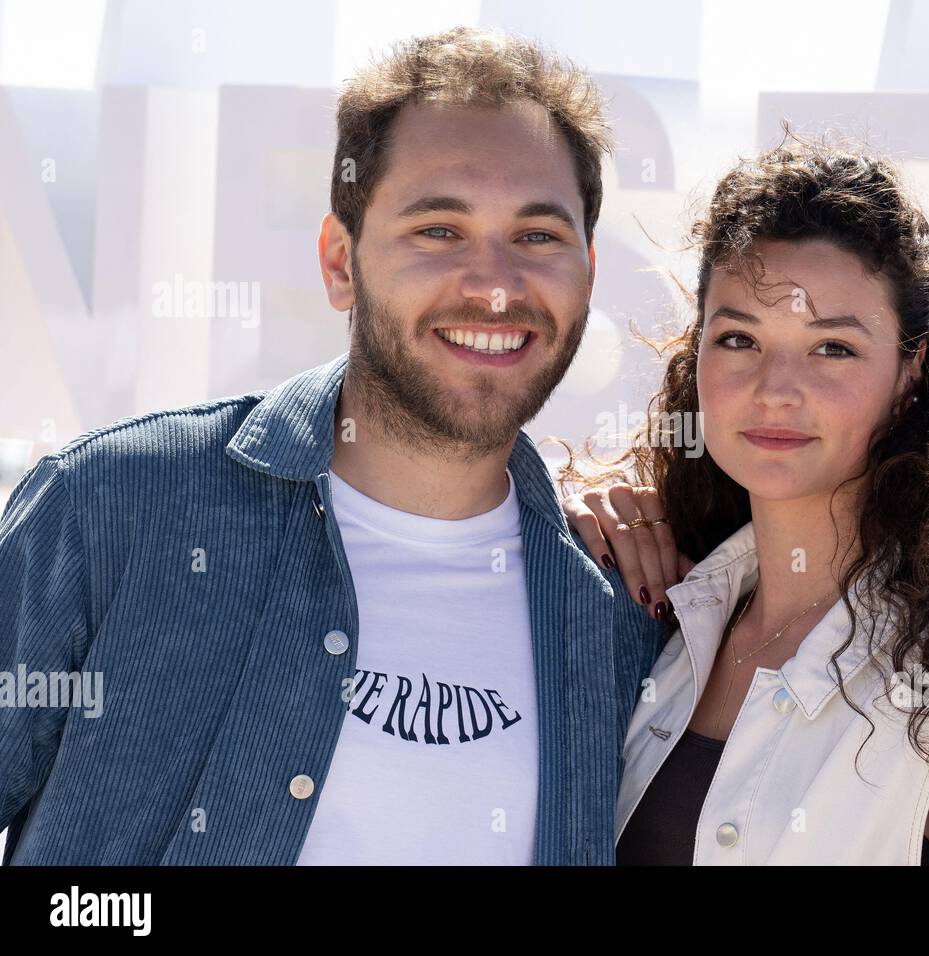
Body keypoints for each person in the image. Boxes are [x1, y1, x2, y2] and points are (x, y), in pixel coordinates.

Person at [0, 27, 665, 866]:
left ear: (589, 272)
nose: (496, 283)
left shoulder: (619, 608)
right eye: (438, 230)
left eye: (538, 237)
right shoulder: (112, 507)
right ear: (340, 262)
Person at [562, 133, 929, 864]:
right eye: (740, 338)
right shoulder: (670, 610)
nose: (776, 388)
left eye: (833, 347)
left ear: (910, 372)